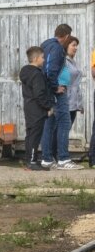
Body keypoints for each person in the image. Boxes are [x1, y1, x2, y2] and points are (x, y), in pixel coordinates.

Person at [42, 23, 73, 168]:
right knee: (64, 122)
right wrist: (55, 87)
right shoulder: (57, 47)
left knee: (50, 123)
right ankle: (63, 159)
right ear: (66, 36)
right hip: (55, 91)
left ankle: (47, 159)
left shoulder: (45, 44)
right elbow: (50, 70)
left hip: (47, 91)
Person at [19, 46, 55, 171]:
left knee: (30, 134)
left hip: (29, 108)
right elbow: (39, 94)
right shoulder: (37, 75)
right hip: (37, 110)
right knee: (35, 135)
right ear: (35, 58)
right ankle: (32, 161)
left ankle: (29, 160)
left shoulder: (26, 72)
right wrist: (48, 107)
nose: (44, 60)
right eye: (42, 57)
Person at [62, 36, 86, 170]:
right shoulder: (63, 61)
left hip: (73, 102)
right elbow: (62, 82)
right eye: (73, 45)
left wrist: (80, 103)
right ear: (66, 46)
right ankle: (62, 158)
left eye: (77, 45)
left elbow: (76, 85)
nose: (76, 48)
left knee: (66, 130)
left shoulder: (73, 62)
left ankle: (62, 157)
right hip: (65, 101)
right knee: (62, 130)